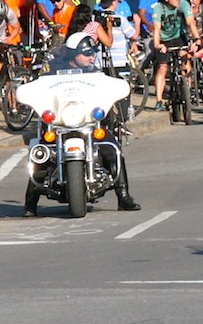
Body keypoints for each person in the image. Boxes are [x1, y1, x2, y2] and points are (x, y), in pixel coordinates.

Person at [23, 32, 140, 216]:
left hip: (89, 123)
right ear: (72, 54)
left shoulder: (95, 72)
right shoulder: (52, 69)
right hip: (59, 124)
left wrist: (119, 87)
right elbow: (38, 86)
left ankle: (124, 196)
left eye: (92, 52)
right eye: (86, 53)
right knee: (40, 154)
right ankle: (30, 202)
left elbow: (109, 85)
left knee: (112, 150)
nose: (91, 56)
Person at [151, 0, 202, 111]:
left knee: (185, 60)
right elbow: (156, 29)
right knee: (162, 67)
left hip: (179, 36)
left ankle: (187, 91)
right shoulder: (159, 8)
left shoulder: (183, 4)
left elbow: (191, 22)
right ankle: (159, 100)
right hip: (163, 39)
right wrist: (157, 44)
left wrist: (197, 39)